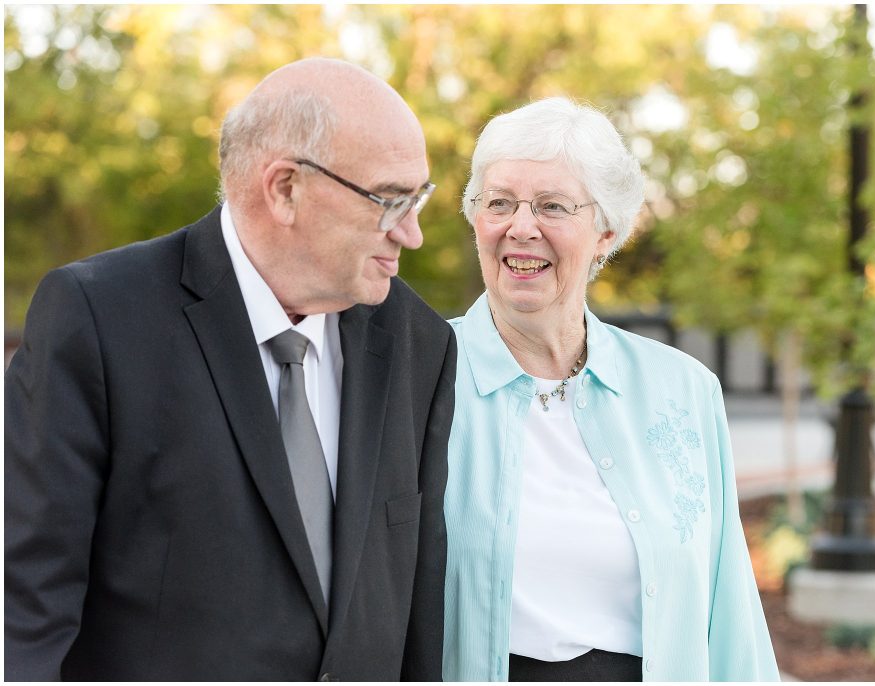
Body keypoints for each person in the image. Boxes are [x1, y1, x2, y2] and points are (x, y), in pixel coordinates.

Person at [5, 58, 455, 681]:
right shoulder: (100, 318)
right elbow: (25, 600)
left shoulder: (419, 341)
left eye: (419, 199)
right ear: (285, 189)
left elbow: (415, 608)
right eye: (389, 200)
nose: (411, 234)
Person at [442, 97, 779, 682]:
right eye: (499, 203)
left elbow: (729, 609)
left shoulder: (684, 390)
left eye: (552, 206)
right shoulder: (421, 378)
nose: (521, 228)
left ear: (606, 232)